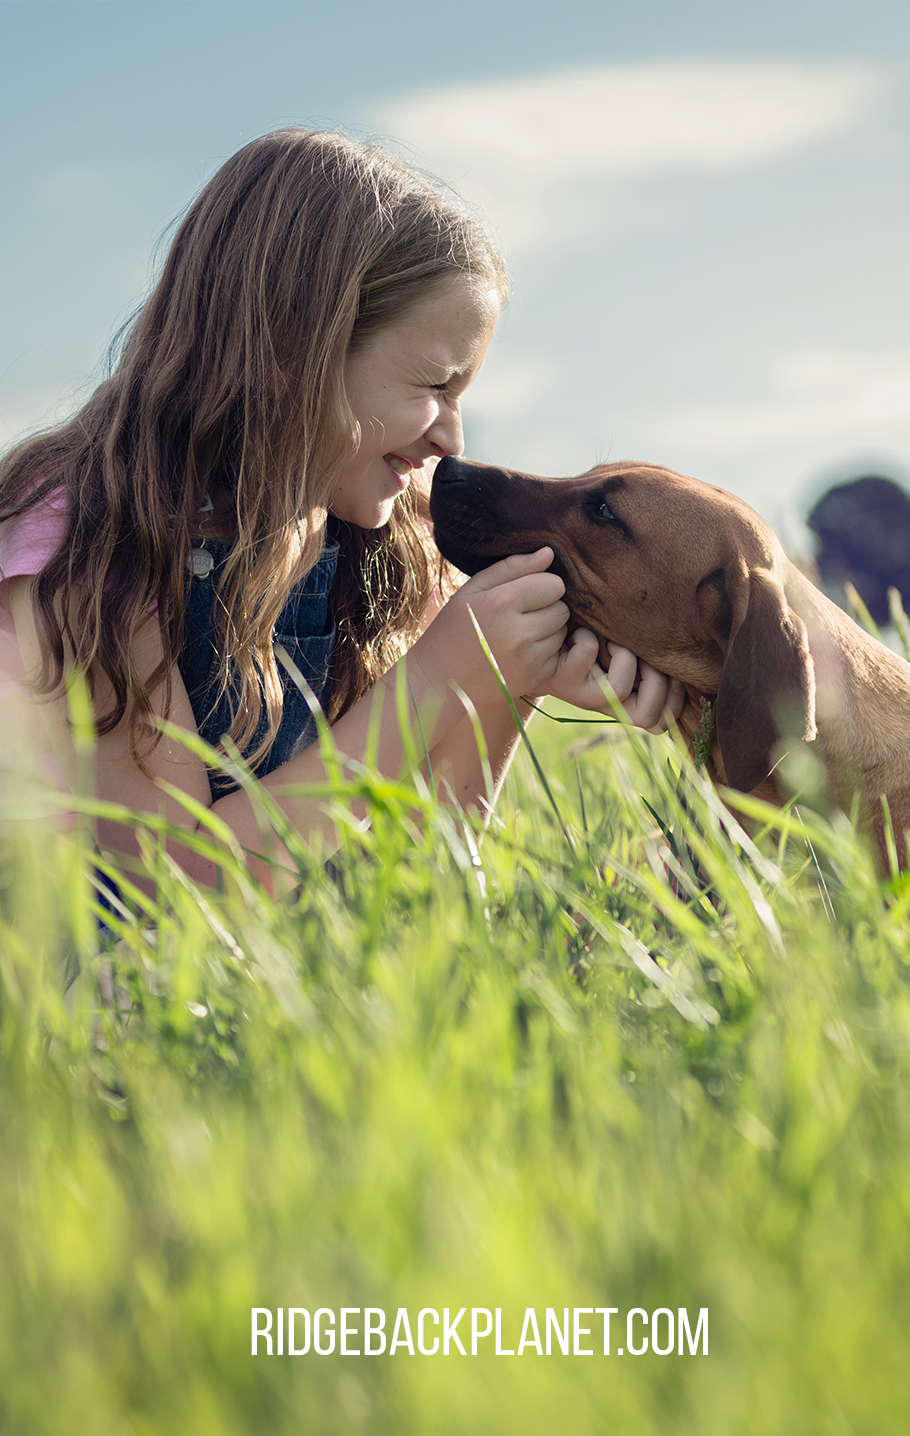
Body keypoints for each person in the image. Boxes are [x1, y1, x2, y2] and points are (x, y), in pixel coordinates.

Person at [0, 128, 683, 895]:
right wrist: (432, 677)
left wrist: (508, 686)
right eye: (434, 384)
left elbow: (428, 871)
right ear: (296, 348)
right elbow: (177, 893)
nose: (452, 435)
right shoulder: (92, 546)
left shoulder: (386, 540)